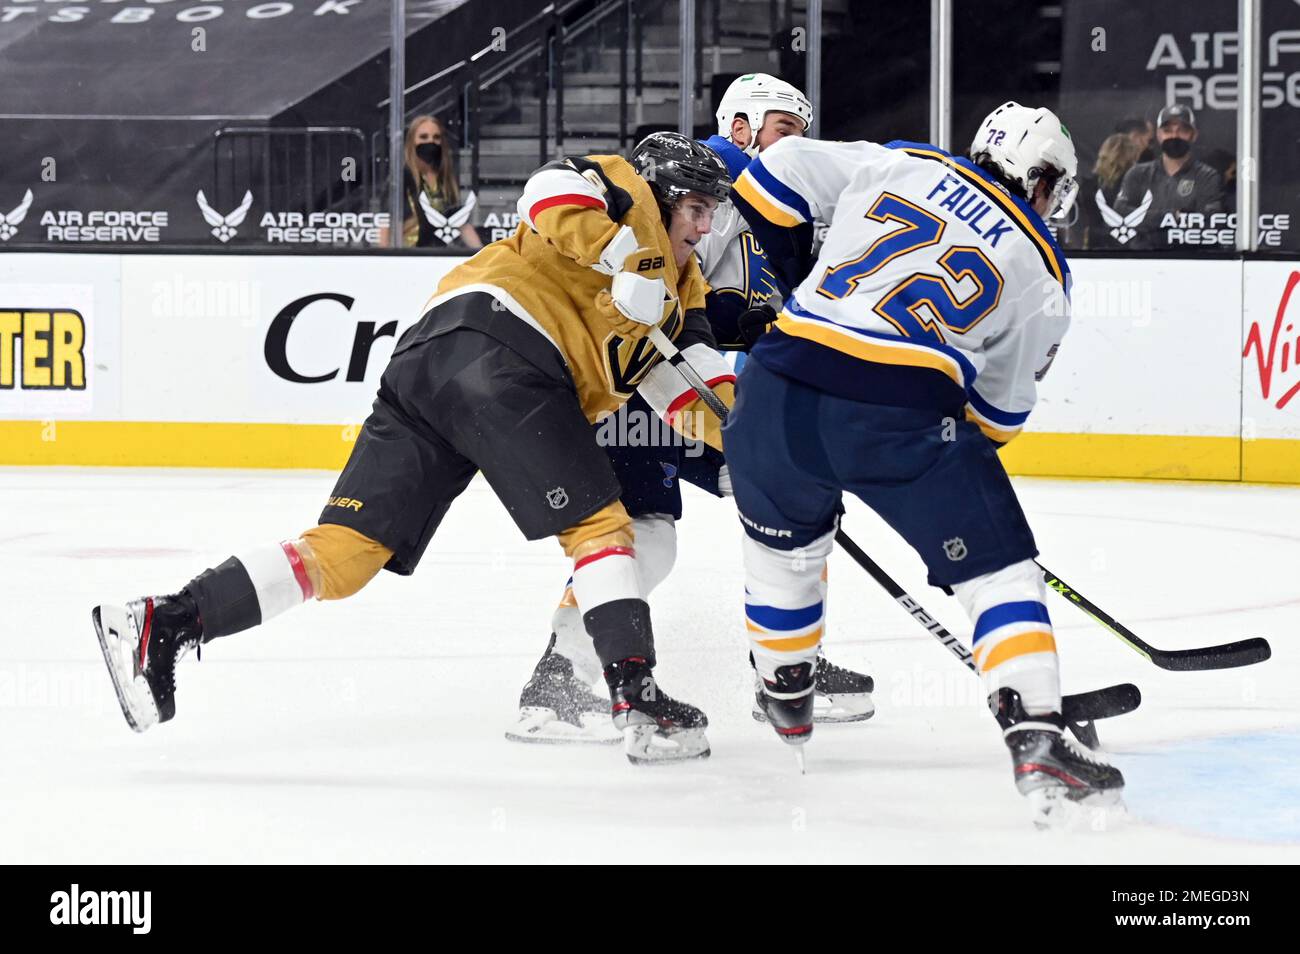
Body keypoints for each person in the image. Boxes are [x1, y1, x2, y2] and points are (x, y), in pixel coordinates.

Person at [92, 132, 735, 765]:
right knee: (600, 527)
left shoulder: (684, 292)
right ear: (665, 193)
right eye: (697, 209)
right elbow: (545, 191)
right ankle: (637, 700)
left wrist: (746, 443)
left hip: (427, 364)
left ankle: (166, 622)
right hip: (507, 347)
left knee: (343, 555)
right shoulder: (624, 190)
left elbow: (691, 384)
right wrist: (624, 254)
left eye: (711, 213)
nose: (704, 228)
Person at [723, 102, 1124, 824]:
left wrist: (797, 274)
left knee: (783, 553)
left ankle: (785, 694)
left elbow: (776, 173)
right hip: (897, 407)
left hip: (773, 385)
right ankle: (1034, 732)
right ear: (1041, 179)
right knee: (996, 570)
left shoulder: (905, 160)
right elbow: (998, 417)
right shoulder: (1043, 268)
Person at [507, 76, 874, 746]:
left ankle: (785, 664)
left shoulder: (772, 209)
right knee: (647, 532)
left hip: (705, 387)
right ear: (739, 129)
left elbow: (730, 299)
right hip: (641, 383)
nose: (797, 148)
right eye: (783, 130)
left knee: (787, 501)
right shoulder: (697, 182)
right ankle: (557, 680)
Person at [1113, 105, 1226, 249]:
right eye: (1168, 131)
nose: (1174, 136)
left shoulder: (1208, 177)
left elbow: (1211, 222)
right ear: (1159, 135)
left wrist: (1147, 222)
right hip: (1142, 260)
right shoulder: (1138, 174)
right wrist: (1172, 216)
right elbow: (1120, 212)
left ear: (1194, 135)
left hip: (1190, 260)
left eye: (1182, 130)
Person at [382, 114, 483, 250]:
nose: (431, 142)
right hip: (407, 255)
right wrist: (384, 259)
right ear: (412, 141)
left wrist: (482, 253)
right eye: (423, 137)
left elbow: (460, 222)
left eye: (436, 137)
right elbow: (386, 225)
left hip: (436, 254)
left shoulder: (445, 179)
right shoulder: (401, 178)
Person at [1082, 132, 1143, 248]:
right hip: (1127, 247)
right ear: (1132, 156)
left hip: (1096, 248)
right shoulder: (1135, 185)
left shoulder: (1089, 185)